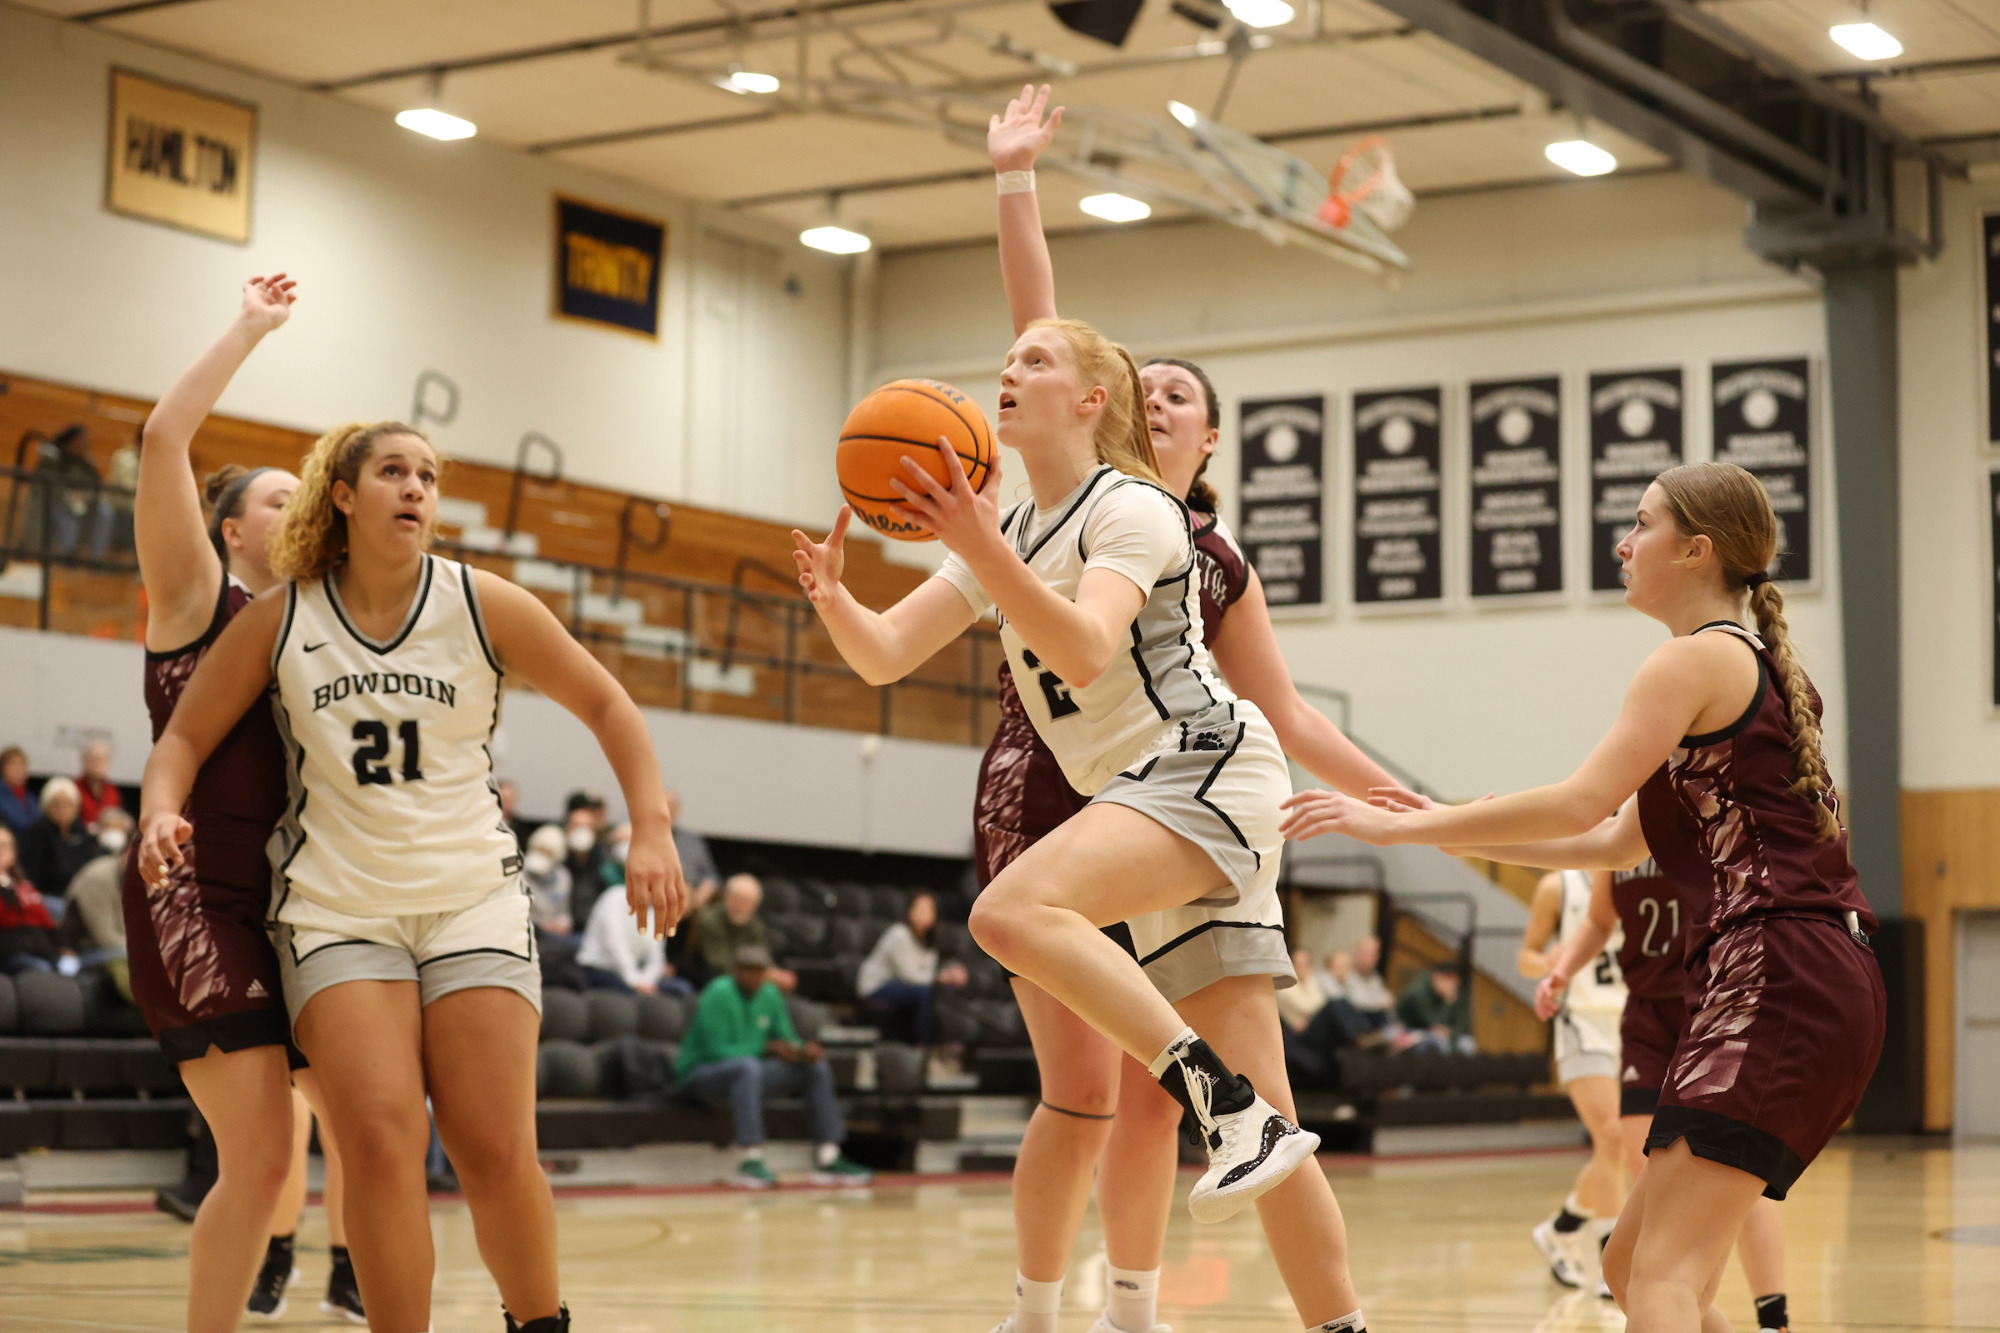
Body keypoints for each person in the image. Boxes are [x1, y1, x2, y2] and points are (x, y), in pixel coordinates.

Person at [927, 85, 1400, 1333]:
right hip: (1061, 770)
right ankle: (1106, 1306)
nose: (1162, 391)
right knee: (1090, 1084)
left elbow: (1284, 711)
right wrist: (1014, 181)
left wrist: (1403, 804)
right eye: (1155, 381)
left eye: (1183, 388)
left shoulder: (1177, 534)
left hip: (1182, 771)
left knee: (1214, 1091)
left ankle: (1236, 1284)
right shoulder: (1061, 487)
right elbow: (1041, 329)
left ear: (1188, 429)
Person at [794, 307, 1369, 1333]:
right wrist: (835, 600)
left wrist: (977, 542)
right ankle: (1339, 1320)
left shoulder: (1135, 507)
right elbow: (884, 655)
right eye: (1007, 357)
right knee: (1277, 1120)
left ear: (1090, 401)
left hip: (1203, 765)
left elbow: (1087, 648)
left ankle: (1213, 1099)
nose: (1007, 371)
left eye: (1034, 360)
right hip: (1147, 793)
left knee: (1009, 913)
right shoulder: (1008, 530)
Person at [1281, 461, 1885, 1333]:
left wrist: (1402, 830)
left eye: (1641, 523)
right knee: (1631, 1265)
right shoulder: (1735, 668)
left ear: (1696, 550)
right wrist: (1451, 828)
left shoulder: (1691, 661)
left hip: (1782, 971)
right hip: (1809, 975)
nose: (1623, 541)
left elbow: (1578, 801)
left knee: (1667, 1275)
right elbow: (1609, 842)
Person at [136, 404, 687, 1332]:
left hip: (471, 898)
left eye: (429, 476)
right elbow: (185, 731)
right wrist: (159, 805)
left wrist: (652, 826)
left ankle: (539, 1322)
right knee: (384, 1145)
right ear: (343, 495)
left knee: (496, 1148)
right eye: (395, 471)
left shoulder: (482, 601)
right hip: (337, 910)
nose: (418, 489)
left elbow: (608, 702)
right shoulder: (282, 617)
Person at [112, 275, 363, 1332]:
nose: (290, 507)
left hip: (292, 900)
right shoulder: (191, 598)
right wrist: (249, 330)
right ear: (226, 528)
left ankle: (356, 1282)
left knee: (363, 1119)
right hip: (192, 888)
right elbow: (164, 439)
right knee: (261, 1158)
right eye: (273, 497)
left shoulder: (312, 624)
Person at [1540, 845, 1794, 1329]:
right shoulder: (1617, 830)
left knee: (1733, 1175)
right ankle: (1680, 1301)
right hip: (1645, 1017)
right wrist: (1562, 969)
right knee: (1648, 1175)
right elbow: (1598, 921)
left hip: (1710, 1005)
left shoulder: (1702, 813)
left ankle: (1772, 1317)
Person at [675, 944, 874, 1188]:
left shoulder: (770, 994)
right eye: (749, 970)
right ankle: (750, 1159)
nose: (755, 976)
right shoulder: (717, 993)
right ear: (735, 970)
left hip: (748, 1074)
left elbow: (786, 1037)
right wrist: (766, 1049)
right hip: (699, 1077)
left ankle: (828, 1155)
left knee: (815, 1068)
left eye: (760, 971)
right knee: (747, 1067)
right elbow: (714, 1051)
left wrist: (801, 1051)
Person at [1518, 870, 1626, 1288]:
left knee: (1614, 1151)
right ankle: (1608, 1262)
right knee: (1611, 1137)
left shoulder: (1640, 874)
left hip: (1633, 1022)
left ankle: (1560, 1229)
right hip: (1580, 1023)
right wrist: (1547, 962)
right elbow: (1525, 957)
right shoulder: (1557, 886)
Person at [856, 890, 969, 1046]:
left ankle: (948, 1043)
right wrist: (943, 977)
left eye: (929, 909)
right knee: (925, 992)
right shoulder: (898, 934)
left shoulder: (929, 939)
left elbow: (927, 973)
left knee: (941, 992)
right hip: (877, 986)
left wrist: (949, 974)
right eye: (919, 908)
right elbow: (910, 976)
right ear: (909, 911)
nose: (924, 914)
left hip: (903, 986)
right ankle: (923, 1045)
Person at [577, 866, 693, 997]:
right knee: (633, 996)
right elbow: (615, 944)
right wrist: (634, 981)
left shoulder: (655, 914)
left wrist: (645, 982)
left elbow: (656, 958)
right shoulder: (614, 897)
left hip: (635, 975)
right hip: (598, 969)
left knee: (681, 989)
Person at [59, 809, 133, 984]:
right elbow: (105, 937)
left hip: (121, 949)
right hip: (83, 953)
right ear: (127, 851)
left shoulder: (143, 880)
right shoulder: (98, 877)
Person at [693, 873, 796, 990]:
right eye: (737, 899)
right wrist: (762, 974)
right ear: (726, 897)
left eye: (747, 902)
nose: (741, 906)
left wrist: (779, 975)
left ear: (755, 905)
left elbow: (763, 957)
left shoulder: (755, 925)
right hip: (711, 982)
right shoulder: (709, 919)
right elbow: (719, 964)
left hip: (749, 983)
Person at [20, 776, 97, 904]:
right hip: (48, 895)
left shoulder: (81, 831)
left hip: (80, 894)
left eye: (68, 803)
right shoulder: (36, 833)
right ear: (46, 806)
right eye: (56, 803)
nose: (62, 809)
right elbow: (31, 875)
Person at [0, 827, 61, 975]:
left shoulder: (25, 886)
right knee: (42, 971)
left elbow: (46, 921)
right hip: (12, 954)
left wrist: (63, 948)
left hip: (43, 950)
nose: (2, 851)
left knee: (71, 969)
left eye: (6, 846)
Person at [1394, 963, 1473, 1054]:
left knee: (1467, 1043)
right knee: (1440, 1044)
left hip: (1432, 1033)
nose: (1453, 987)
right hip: (1409, 1030)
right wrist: (1448, 1002)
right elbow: (1433, 1022)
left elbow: (1464, 1025)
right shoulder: (1419, 992)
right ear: (1438, 977)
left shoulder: (1455, 994)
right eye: (1450, 982)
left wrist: (1451, 1033)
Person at [667, 789, 720, 905]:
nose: (668, 812)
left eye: (672, 807)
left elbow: (710, 874)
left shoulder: (692, 840)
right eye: (664, 806)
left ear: (678, 810)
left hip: (689, 893)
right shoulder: (642, 835)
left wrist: (707, 887)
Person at [522, 824, 574, 937]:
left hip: (555, 932)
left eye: (548, 852)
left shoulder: (563, 877)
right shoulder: (520, 872)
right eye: (540, 850)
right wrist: (540, 923)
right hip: (529, 929)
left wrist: (563, 923)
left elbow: (564, 910)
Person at [76, 740, 124, 830]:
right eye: (93, 760)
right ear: (84, 761)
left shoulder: (113, 792)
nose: (97, 765)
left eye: (103, 760)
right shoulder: (73, 790)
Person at [0, 747, 38, 838]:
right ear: (3, 769)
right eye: (13, 765)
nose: (18, 770)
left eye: (22, 765)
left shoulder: (31, 798)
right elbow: (21, 824)